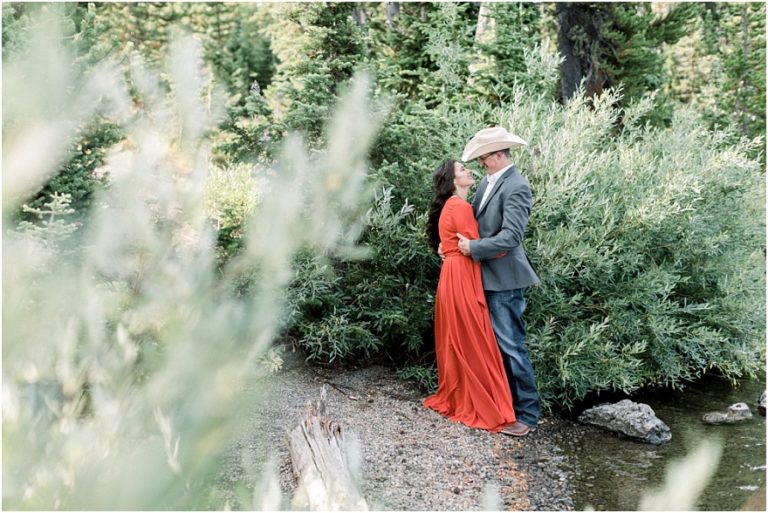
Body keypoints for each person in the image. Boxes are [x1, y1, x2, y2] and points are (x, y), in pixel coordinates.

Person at [456, 126, 541, 437]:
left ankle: (527, 416)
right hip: (485, 277)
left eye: (484, 157)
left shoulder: (517, 186)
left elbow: (511, 237)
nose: (480, 163)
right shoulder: (487, 183)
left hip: (505, 280)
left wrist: (474, 248)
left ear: (499, 155)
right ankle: (503, 409)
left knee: (512, 347)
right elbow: (475, 224)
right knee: (494, 347)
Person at [423, 159, 517, 433]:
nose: (469, 171)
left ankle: (462, 395)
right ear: (453, 181)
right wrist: (506, 247)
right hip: (461, 275)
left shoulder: (454, 205)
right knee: (473, 338)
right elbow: (475, 246)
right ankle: (484, 403)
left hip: (454, 275)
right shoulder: (460, 207)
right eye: (462, 169)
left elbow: (458, 243)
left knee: (462, 337)